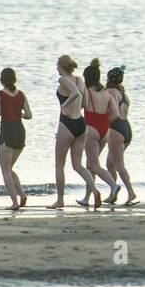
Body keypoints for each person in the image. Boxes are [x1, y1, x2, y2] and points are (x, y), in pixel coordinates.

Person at [0, 67, 31, 210]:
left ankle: (14, 202)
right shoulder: (21, 94)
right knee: (9, 168)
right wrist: (18, 114)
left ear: (2, 80)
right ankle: (22, 194)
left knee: (5, 170)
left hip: (7, 131)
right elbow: (29, 115)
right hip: (20, 131)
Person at [50, 55, 97, 209]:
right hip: (80, 123)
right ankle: (95, 191)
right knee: (78, 165)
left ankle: (60, 200)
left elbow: (75, 93)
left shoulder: (63, 80)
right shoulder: (80, 79)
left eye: (57, 65)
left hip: (67, 122)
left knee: (59, 165)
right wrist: (75, 107)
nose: (56, 68)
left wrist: (65, 106)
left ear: (62, 66)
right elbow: (85, 103)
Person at [80, 58, 120, 206]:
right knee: (91, 165)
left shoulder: (86, 92)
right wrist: (104, 123)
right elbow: (116, 114)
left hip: (91, 128)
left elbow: (79, 110)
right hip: (105, 129)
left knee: (93, 165)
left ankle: (113, 185)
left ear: (86, 78)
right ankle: (86, 198)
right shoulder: (106, 93)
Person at [105, 65, 137, 206]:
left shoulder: (111, 92)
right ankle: (113, 194)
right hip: (126, 128)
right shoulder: (124, 94)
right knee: (110, 164)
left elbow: (109, 112)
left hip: (116, 129)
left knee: (119, 165)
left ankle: (131, 192)